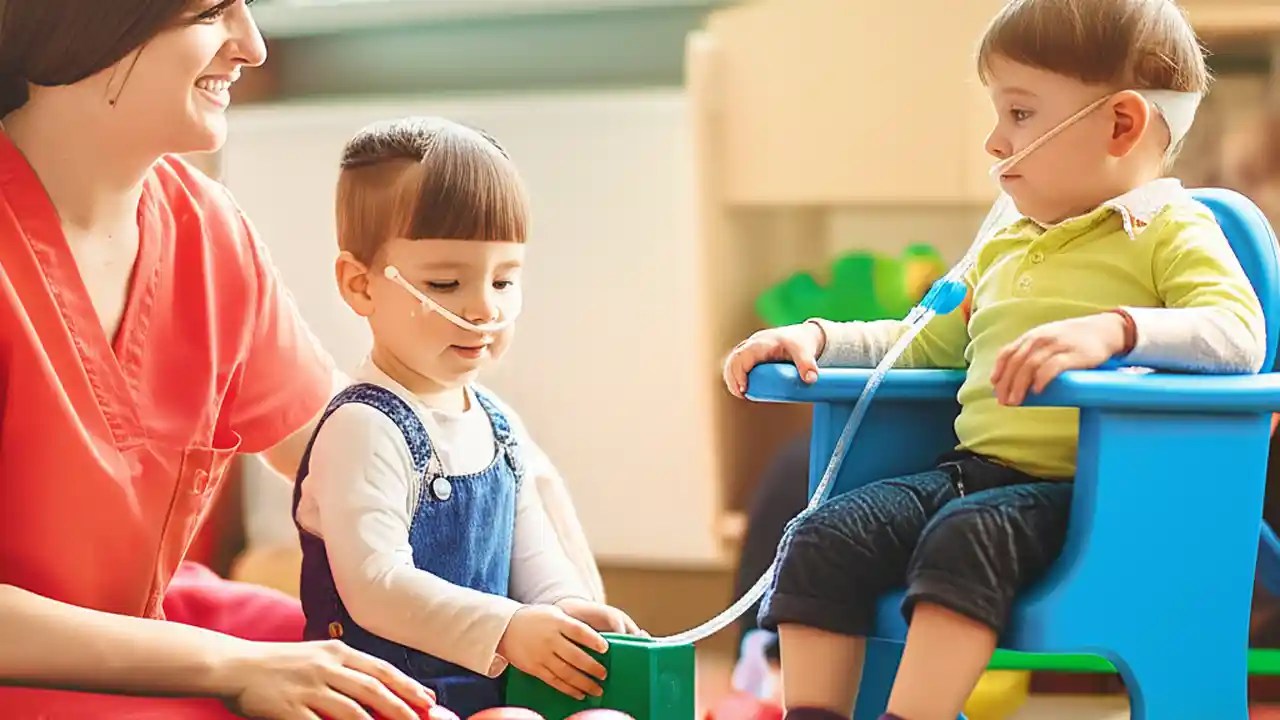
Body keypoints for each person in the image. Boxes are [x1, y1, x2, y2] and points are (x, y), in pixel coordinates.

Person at [722, 1, 1267, 718]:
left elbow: (1238, 334)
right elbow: (924, 343)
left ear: (1121, 124)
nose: (993, 141)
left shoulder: (1169, 229)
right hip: (977, 476)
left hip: (1102, 496)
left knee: (963, 536)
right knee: (822, 533)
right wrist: (818, 338)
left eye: (1019, 113)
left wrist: (1116, 331)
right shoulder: (1008, 244)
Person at [0, 1, 435, 718]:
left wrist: (533, 578)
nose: (253, 47)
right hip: (30, 667)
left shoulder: (203, 226)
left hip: (152, 625)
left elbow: (350, 454)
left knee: (391, 670)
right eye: (210, 12)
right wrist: (231, 668)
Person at [292, 116, 643, 718]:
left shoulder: (498, 427)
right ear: (361, 286)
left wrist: (566, 613)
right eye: (447, 282)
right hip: (383, 695)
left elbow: (536, 560)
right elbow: (375, 587)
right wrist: (509, 628)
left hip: (490, 690)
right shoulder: (362, 428)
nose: (484, 308)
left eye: (505, 281)